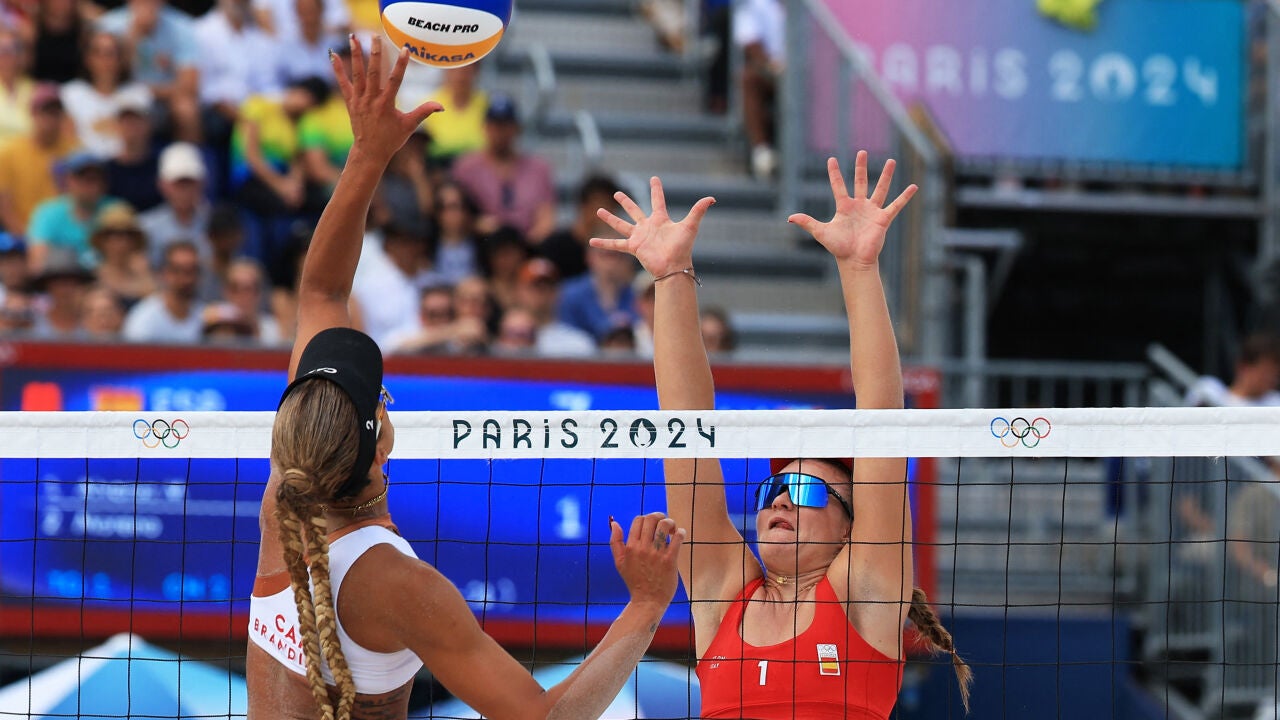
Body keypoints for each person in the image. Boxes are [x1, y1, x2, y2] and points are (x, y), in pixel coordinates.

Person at [247, 37, 684, 720]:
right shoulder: (395, 584)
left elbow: (321, 293)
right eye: (382, 397)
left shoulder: (285, 496)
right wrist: (648, 606)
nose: (386, 398)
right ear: (379, 444)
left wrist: (367, 156)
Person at [590, 153, 971, 717]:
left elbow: (881, 418)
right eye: (775, 491)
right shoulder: (724, 598)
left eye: (811, 492)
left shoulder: (862, 592)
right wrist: (670, 276)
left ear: (853, 526)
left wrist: (859, 270)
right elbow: (686, 431)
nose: (783, 501)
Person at [451, 94, 557, 245]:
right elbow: (452, 214)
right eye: (495, 125)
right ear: (484, 127)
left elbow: (546, 218)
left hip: (527, 247)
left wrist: (520, 246)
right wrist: (476, 224)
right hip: (480, 247)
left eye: (505, 125)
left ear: (516, 129)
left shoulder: (538, 169)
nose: (500, 132)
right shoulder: (466, 168)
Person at [96, 0, 201, 142]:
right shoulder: (108, 25)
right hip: (121, 96)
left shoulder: (182, 26)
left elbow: (189, 86)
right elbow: (106, 73)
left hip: (164, 102)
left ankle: (189, 158)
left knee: (186, 108)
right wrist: (135, 35)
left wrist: (146, 91)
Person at [60, 29, 153, 157]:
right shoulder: (71, 93)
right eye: (98, 53)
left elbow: (140, 141)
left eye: (110, 54)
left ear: (120, 59)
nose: (104, 60)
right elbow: (67, 139)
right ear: (88, 59)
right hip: (85, 168)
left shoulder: (138, 95)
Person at [0, 83, 77, 237]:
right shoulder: (10, 153)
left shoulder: (75, 151)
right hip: (22, 236)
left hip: (67, 238)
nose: (50, 118)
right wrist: (30, 240)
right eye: (45, 112)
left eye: (55, 113)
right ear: (32, 114)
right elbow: (4, 206)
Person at [26, 152, 121, 275]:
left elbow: (134, 258)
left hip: (107, 281)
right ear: (68, 180)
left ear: (104, 183)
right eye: (82, 178)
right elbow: (37, 261)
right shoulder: (47, 212)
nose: (88, 185)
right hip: (63, 282)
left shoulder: (116, 210)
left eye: (94, 179)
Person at [140, 142, 212, 266]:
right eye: (178, 184)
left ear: (202, 184)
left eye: (189, 182)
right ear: (162, 185)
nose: (184, 190)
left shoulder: (215, 224)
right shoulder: (145, 227)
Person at [734, 0, 783, 179]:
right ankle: (762, 152)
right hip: (772, 72)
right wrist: (770, 66)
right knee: (749, 78)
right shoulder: (757, 5)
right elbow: (749, 40)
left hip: (807, 76)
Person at [121, 240, 204, 343]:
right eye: (177, 271)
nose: (186, 279)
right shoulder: (143, 320)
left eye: (192, 271)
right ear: (163, 273)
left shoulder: (206, 316)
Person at [540, 175, 621, 280]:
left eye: (610, 208)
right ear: (583, 206)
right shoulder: (554, 246)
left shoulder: (619, 251)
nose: (606, 216)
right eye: (600, 206)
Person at [89, 202, 154, 308]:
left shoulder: (145, 274)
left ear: (135, 241)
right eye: (112, 234)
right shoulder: (92, 278)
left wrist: (145, 275)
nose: (121, 242)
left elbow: (157, 310)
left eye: (128, 235)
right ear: (102, 240)